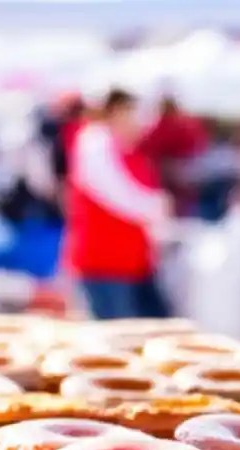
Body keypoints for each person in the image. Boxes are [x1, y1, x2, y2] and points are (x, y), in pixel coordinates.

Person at [65, 89, 171, 320]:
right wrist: (156, 207)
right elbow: (122, 196)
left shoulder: (128, 149)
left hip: (133, 263)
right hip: (105, 265)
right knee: (118, 338)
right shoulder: (95, 142)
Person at [140, 96, 208, 217]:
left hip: (170, 174)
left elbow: (149, 147)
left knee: (175, 207)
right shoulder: (187, 123)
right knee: (183, 206)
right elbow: (200, 145)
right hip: (186, 174)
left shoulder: (166, 125)